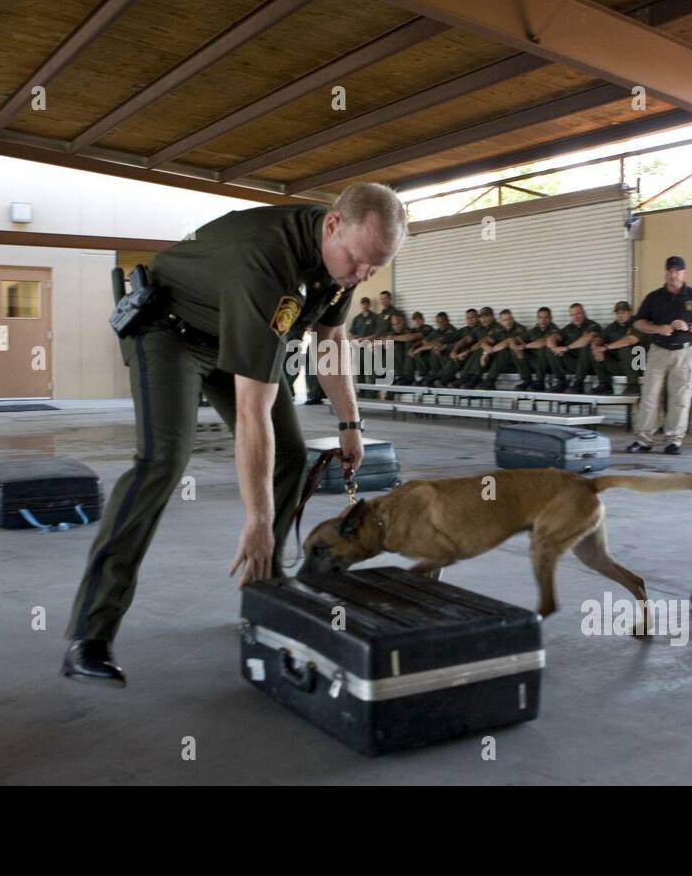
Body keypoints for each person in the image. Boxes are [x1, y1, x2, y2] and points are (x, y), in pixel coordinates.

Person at [64, 183, 407, 686]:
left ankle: (265, 596)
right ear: (332, 225)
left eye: (374, 268)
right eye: (357, 262)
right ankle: (89, 633)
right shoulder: (267, 264)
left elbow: (331, 342)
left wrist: (350, 425)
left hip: (230, 333)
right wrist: (257, 518)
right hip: (168, 333)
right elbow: (252, 411)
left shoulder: (346, 257)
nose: (361, 276)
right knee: (163, 461)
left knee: (292, 453)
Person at [626, 256, 692, 455]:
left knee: (680, 398)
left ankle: (673, 441)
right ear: (665, 272)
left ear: (684, 273)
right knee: (649, 396)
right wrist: (658, 328)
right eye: (670, 270)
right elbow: (638, 322)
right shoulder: (654, 297)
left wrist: (689, 326)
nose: (673, 274)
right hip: (658, 352)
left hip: (684, 353)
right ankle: (643, 441)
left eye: (677, 271)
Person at [547, 303, 602, 393]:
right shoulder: (569, 328)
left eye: (578, 314)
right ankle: (561, 382)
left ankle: (578, 383)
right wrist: (555, 349)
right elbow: (551, 338)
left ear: (584, 313)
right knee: (550, 349)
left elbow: (587, 339)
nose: (576, 317)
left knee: (586, 346)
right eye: (572, 315)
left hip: (588, 364)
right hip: (574, 364)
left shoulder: (593, 325)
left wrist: (567, 348)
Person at [591, 301, 643, 396]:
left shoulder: (637, 323)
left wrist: (606, 347)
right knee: (594, 350)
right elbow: (599, 338)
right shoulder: (614, 326)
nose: (620, 315)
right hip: (621, 365)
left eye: (623, 312)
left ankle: (634, 385)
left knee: (625, 347)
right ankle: (605, 385)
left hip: (638, 365)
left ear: (630, 312)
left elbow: (630, 340)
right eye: (618, 313)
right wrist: (595, 347)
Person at [479, 308, 531, 391]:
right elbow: (485, 341)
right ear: (500, 321)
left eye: (509, 319)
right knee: (500, 351)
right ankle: (488, 381)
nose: (508, 322)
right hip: (503, 362)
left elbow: (510, 341)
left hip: (519, 361)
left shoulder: (520, 329)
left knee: (508, 350)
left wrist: (488, 352)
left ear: (513, 318)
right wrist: (485, 351)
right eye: (504, 320)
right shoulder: (498, 329)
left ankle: (527, 380)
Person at [432, 308, 481, 387]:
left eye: (473, 317)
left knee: (458, 350)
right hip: (464, 357)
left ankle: (446, 375)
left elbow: (472, 342)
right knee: (446, 349)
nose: (470, 320)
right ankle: (442, 375)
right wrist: (437, 345)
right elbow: (448, 338)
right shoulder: (464, 329)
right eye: (468, 318)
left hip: (476, 356)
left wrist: (451, 348)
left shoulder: (481, 329)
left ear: (478, 317)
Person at [519, 306, 559, 391]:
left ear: (551, 318)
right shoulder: (534, 330)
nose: (543, 320)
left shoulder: (554, 330)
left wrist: (524, 346)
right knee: (515, 349)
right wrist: (516, 346)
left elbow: (544, 342)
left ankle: (540, 382)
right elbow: (517, 339)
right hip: (535, 363)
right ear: (537, 318)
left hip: (549, 364)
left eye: (546, 318)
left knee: (543, 349)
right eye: (540, 317)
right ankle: (527, 379)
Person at [411, 311, 454, 384]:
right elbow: (424, 341)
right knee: (418, 350)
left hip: (447, 358)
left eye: (443, 321)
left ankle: (435, 375)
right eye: (438, 322)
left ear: (448, 321)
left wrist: (420, 349)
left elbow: (437, 342)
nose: (441, 324)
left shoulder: (451, 331)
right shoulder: (437, 331)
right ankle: (423, 375)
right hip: (438, 359)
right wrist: (413, 348)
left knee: (435, 349)